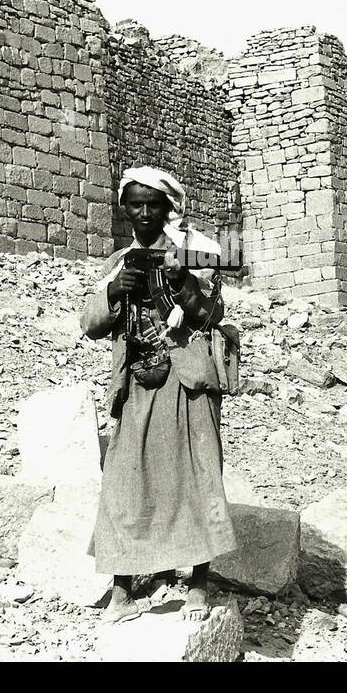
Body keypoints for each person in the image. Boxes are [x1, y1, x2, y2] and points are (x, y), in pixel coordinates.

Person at [80, 166, 238, 624]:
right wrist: (114, 291)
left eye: (154, 203)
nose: (145, 212)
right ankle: (121, 593)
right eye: (136, 204)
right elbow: (89, 324)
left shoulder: (196, 253)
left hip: (188, 380)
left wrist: (183, 285)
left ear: (170, 207)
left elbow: (212, 312)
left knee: (199, 475)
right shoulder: (117, 261)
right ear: (124, 208)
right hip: (138, 384)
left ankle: (199, 585)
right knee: (125, 485)